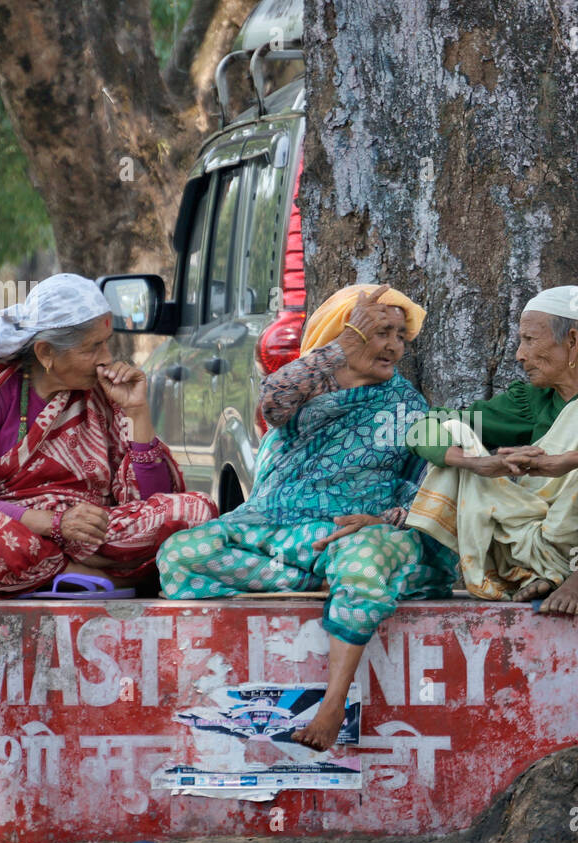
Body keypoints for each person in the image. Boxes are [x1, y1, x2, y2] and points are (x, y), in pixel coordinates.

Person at [157, 284, 457, 752]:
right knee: (180, 555)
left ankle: (333, 703)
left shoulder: (406, 405)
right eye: (381, 332)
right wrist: (339, 351)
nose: (395, 346)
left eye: (401, 334)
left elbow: (425, 490)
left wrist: (386, 521)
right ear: (345, 335)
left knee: (362, 562)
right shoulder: (304, 392)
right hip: (283, 530)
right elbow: (272, 402)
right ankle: (316, 579)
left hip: (359, 536)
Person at [0, 274, 215, 599]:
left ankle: (61, 576)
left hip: (96, 534)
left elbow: (157, 497)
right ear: (45, 353)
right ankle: (89, 577)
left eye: (107, 342)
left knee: (196, 510)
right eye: (93, 347)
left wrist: (137, 411)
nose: (107, 358)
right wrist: (56, 524)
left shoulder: (102, 394)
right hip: (20, 533)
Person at [404, 286, 578, 615]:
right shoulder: (528, 402)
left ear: (572, 341)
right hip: (542, 547)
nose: (519, 355)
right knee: (454, 434)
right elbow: (423, 428)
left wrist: (566, 461)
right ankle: (539, 574)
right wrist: (477, 463)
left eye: (529, 339)